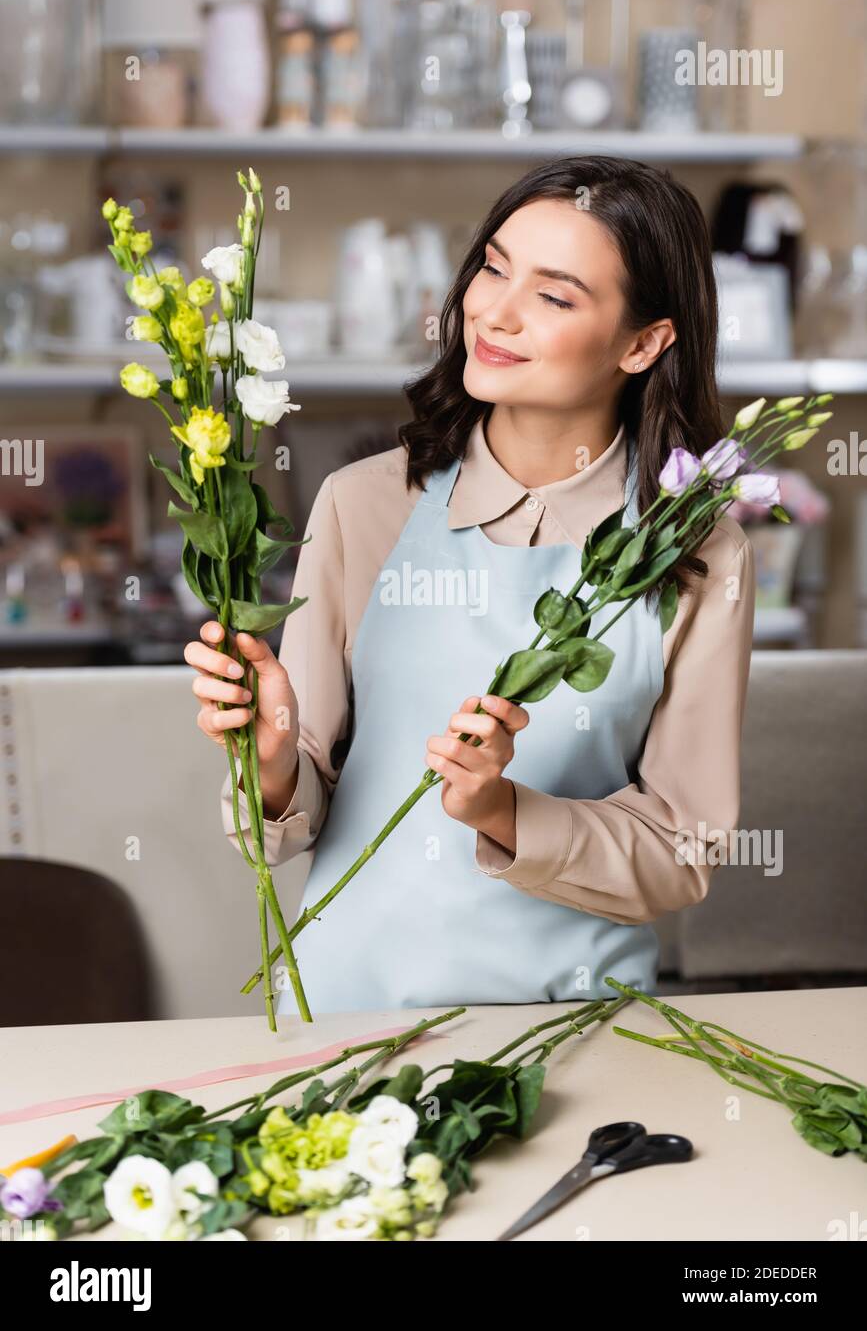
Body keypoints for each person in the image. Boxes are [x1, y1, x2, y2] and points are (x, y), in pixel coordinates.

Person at [184, 156, 755, 1015]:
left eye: (554, 297)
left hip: (572, 1026)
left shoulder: (697, 548)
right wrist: (268, 761)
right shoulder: (364, 504)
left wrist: (501, 807)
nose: (492, 311)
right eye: (492, 267)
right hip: (348, 1012)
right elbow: (289, 818)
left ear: (644, 343)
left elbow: (683, 850)